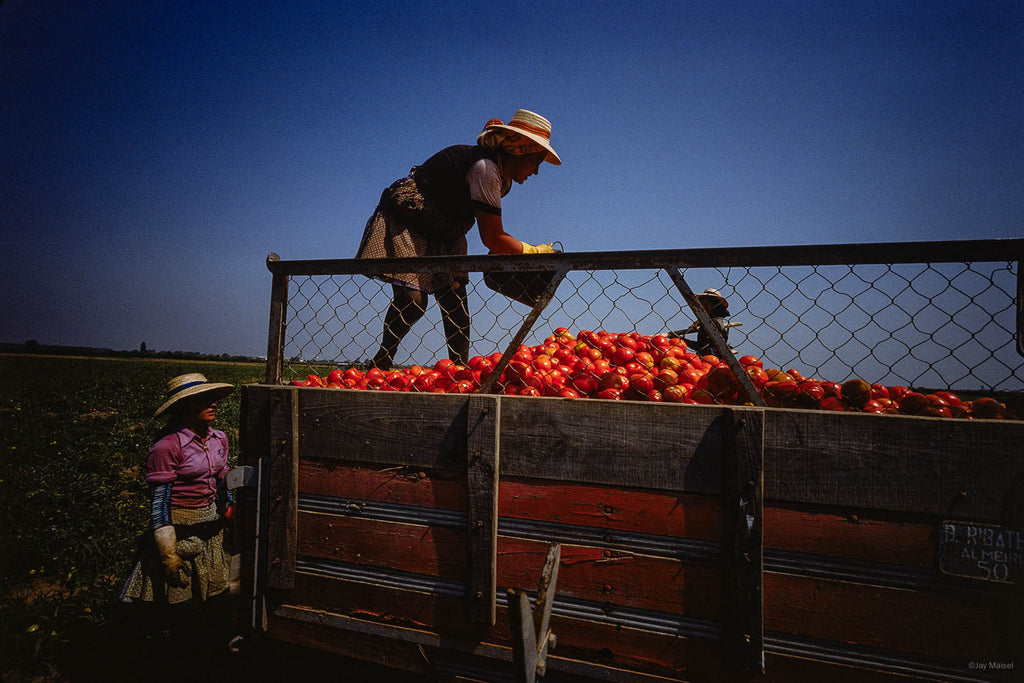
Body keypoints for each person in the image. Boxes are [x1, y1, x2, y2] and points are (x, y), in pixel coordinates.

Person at [356, 109, 561, 370]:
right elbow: (493, 238)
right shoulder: (485, 169)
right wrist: (533, 252)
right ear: (521, 152)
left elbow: (492, 234)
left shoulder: (503, 181)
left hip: (447, 228)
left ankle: (459, 371)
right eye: (537, 162)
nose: (536, 172)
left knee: (455, 304)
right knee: (413, 301)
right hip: (412, 216)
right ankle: (382, 361)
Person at [121, 373, 235, 680]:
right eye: (203, 400)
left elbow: (222, 482)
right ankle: (177, 663)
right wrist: (168, 552)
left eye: (213, 398)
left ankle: (212, 660)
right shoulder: (167, 446)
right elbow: (159, 503)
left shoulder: (219, 438)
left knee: (217, 602)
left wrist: (229, 511)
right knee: (181, 608)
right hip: (179, 533)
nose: (213, 404)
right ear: (183, 406)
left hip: (210, 531)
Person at [673, 288, 732, 357]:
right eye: (701, 306)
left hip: (711, 358)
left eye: (707, 305)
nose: (703, 308)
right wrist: (698, 322)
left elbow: (701, 347)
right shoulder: (715, 320)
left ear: (715, 306)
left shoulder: (713, 324)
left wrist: (681, 340)